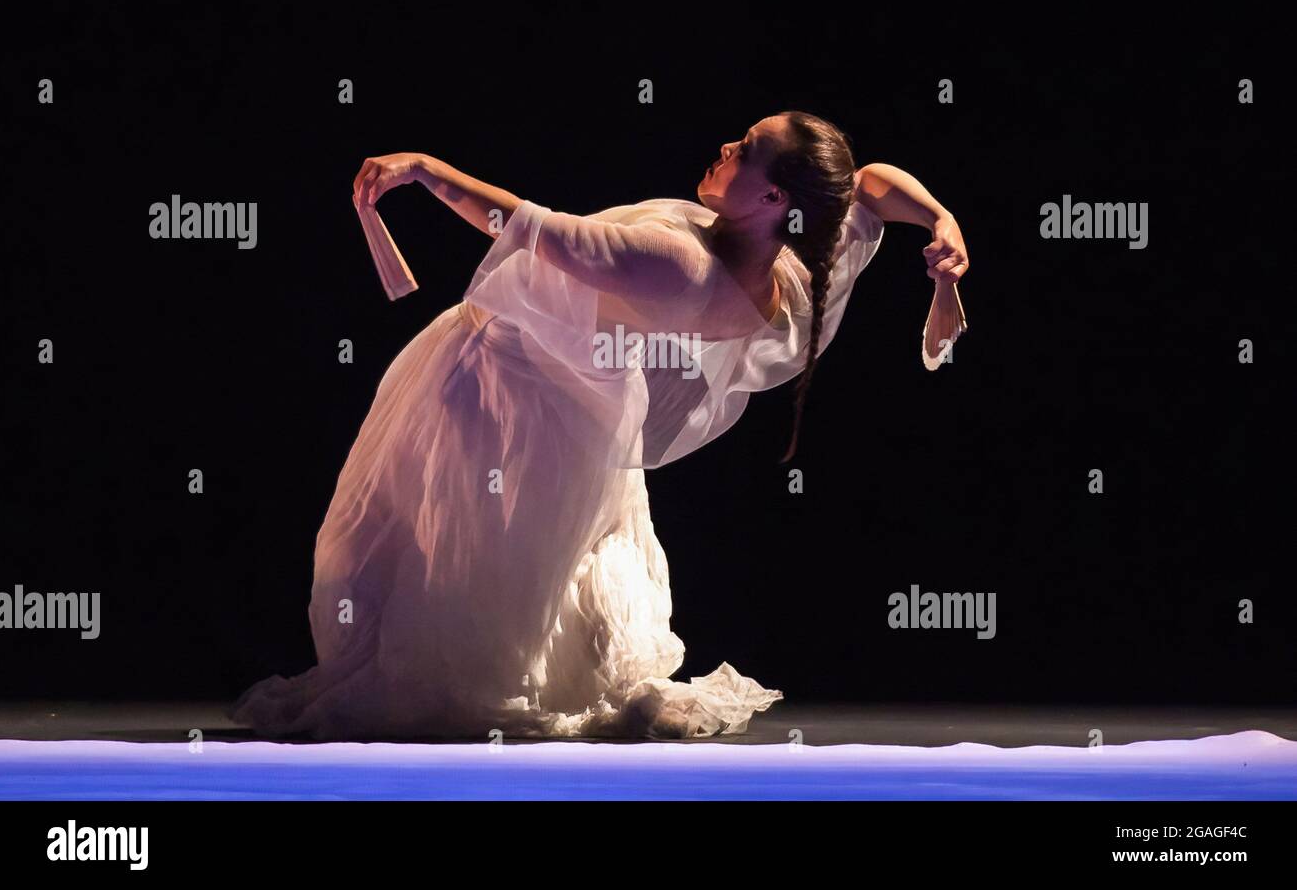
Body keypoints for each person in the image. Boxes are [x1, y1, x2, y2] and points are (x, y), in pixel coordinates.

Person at [228, 110, 969, 740]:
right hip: (588, 400)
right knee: (551, 548)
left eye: (744, 150)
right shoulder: (798, 263)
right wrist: (943, 225)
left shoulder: (681, 264)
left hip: (508, 387)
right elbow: (870, 182)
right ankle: (540, 671)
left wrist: (425, 169)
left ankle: (454, 684)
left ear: (773, 194)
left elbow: (528, 227)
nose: (725, 148)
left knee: (436, 558)